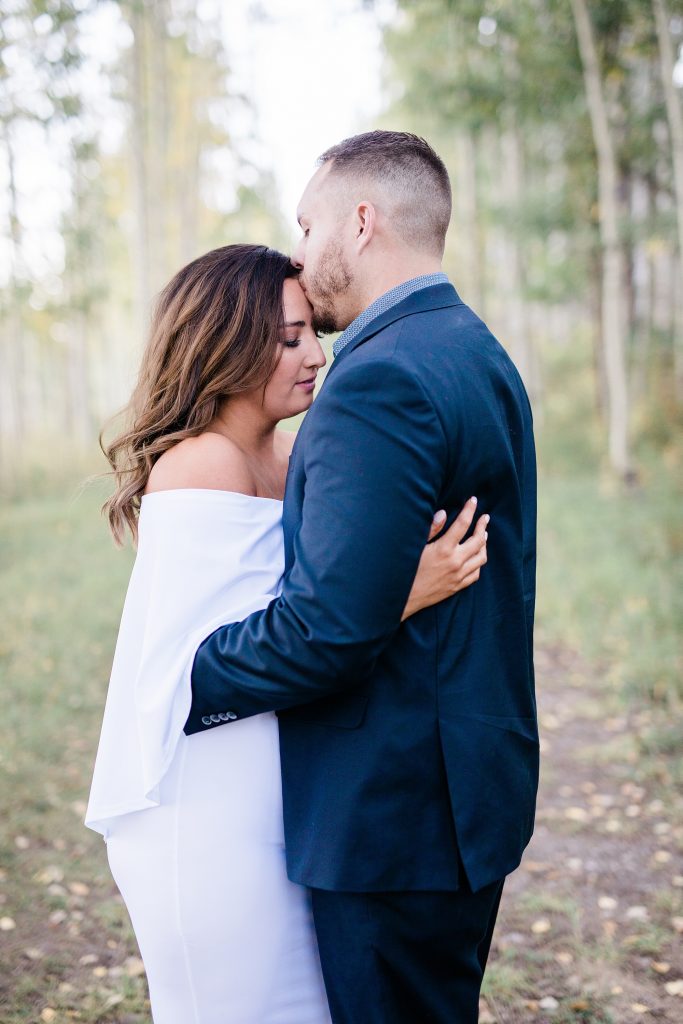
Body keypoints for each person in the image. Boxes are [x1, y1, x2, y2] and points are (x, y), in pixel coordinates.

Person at [85, 242, 489, 1024]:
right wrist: (395, 595)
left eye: (312, 332)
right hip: (202, 805)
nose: (314, 355)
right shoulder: (201, 464)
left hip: (284, 788)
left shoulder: (296, 450)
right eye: (286, 337)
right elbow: (201, 667)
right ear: (222, 343)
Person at [185, 131, 539, 1024]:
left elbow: (324, 633)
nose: (300, 254)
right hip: (462, 792)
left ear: (362, 219)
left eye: (307, 225)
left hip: (392, 816)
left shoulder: (377, 381)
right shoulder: (475, 350)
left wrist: (188, 673)